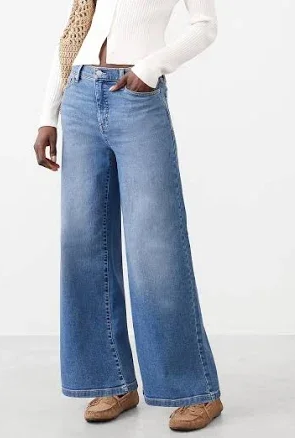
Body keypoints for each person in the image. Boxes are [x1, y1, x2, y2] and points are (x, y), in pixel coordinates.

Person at [33, 0, 222, 431]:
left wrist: (151, 67)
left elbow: (205, 26)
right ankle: (111, 382)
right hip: (80, 94)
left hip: (138, 96)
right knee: (83, 244)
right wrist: (48, 115)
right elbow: (73, 34)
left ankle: (195, 391)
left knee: (155, 245)